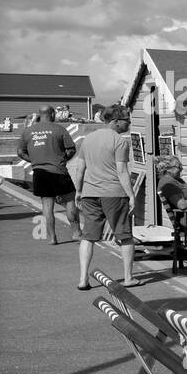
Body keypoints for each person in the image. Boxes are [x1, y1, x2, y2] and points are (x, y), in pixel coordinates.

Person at [74, 104, 138, 290]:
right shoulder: (120, 141)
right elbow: (122, 172)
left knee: (88, 236)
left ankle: (83, 279)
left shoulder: (88, 139)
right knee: (125, 236)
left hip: (90, 194)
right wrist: (131, 195)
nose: (129, 123)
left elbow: (80, 169)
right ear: (116, 121)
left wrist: (78, 191)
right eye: (127, 119)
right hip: (114, 194)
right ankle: (128, 278)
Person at [17, 105, 77, 244]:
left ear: (40, 114)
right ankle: (76, 233)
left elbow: (20, 152)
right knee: (69, 200)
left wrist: (33, 161)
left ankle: (52, 237)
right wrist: (64, 159)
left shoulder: (28, 131)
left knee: (47, 206)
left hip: (39, 172)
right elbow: (71, 149)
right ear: (52, 114)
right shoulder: (59, 129)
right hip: (59, 171)